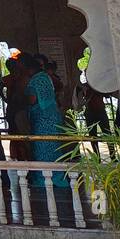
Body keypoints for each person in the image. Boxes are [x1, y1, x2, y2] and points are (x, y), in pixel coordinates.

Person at [24, 54, 69, 187]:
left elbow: (32, 99)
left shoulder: (34, 80)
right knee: (54, 147)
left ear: (29, 69)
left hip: (42, 118)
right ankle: (57, 177)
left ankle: (42, 179)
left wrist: (22, 99)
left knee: (41, 148)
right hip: (53, 116)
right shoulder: (47, 78)